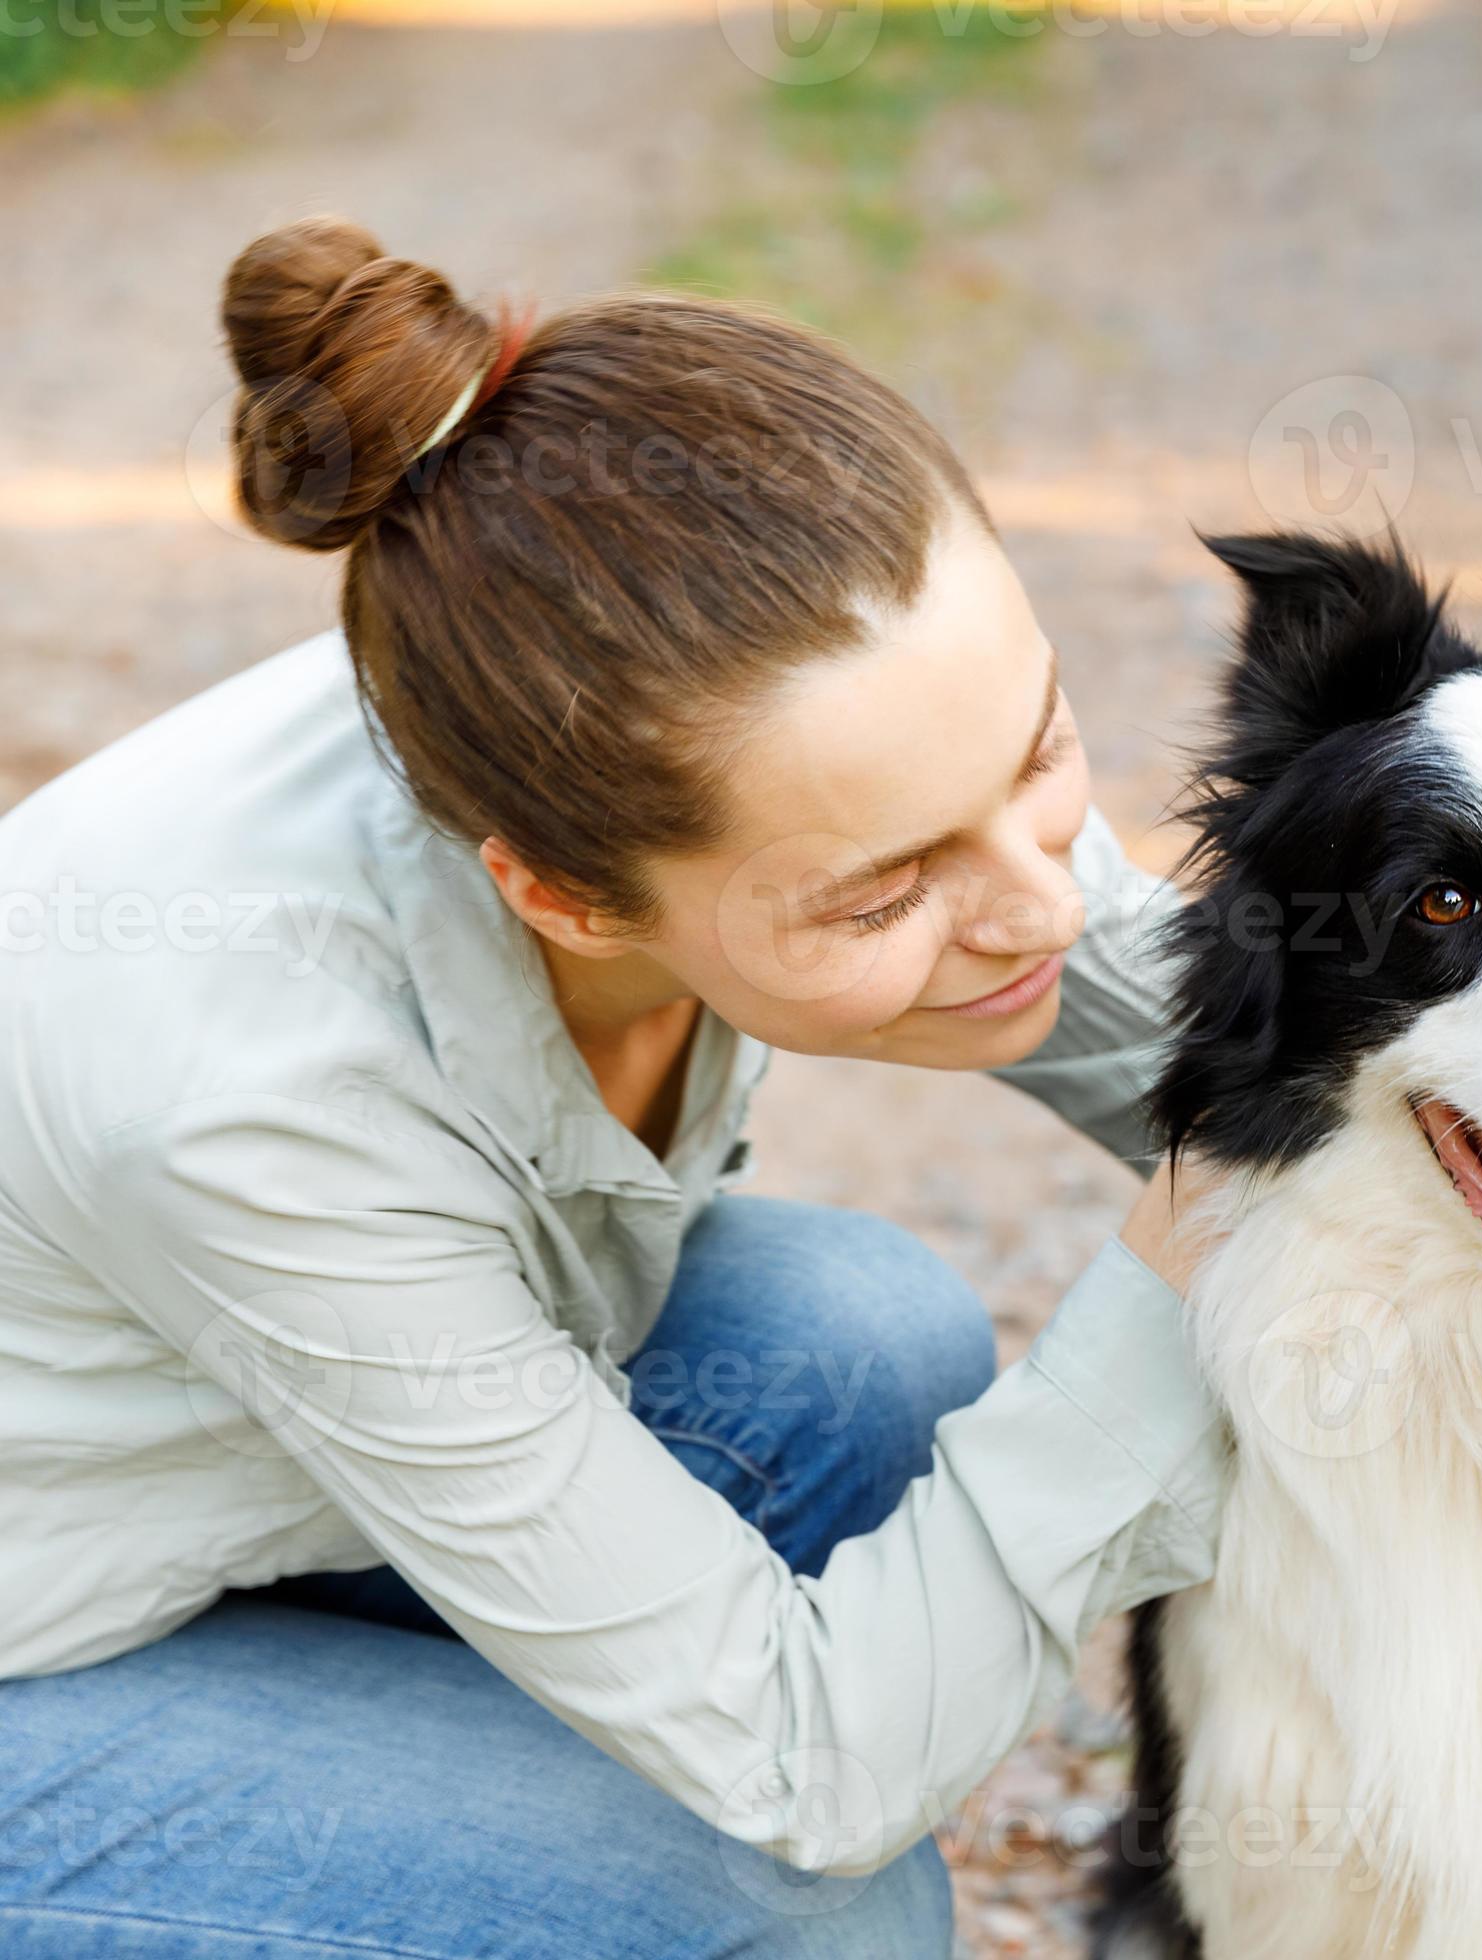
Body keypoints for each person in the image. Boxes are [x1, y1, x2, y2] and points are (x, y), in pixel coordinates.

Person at [0, 217, 1223, 1958]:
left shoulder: (770, 711)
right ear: (560, 895)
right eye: (881, 897)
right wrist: (1177, 1298)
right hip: (34, 1654)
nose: (1038, 899)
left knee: (866, 1344)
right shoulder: (253, 1099)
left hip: (241, 1467)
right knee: (797, 1914)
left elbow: (1254, 1060)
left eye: (1037, 750)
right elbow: (814, 1771)